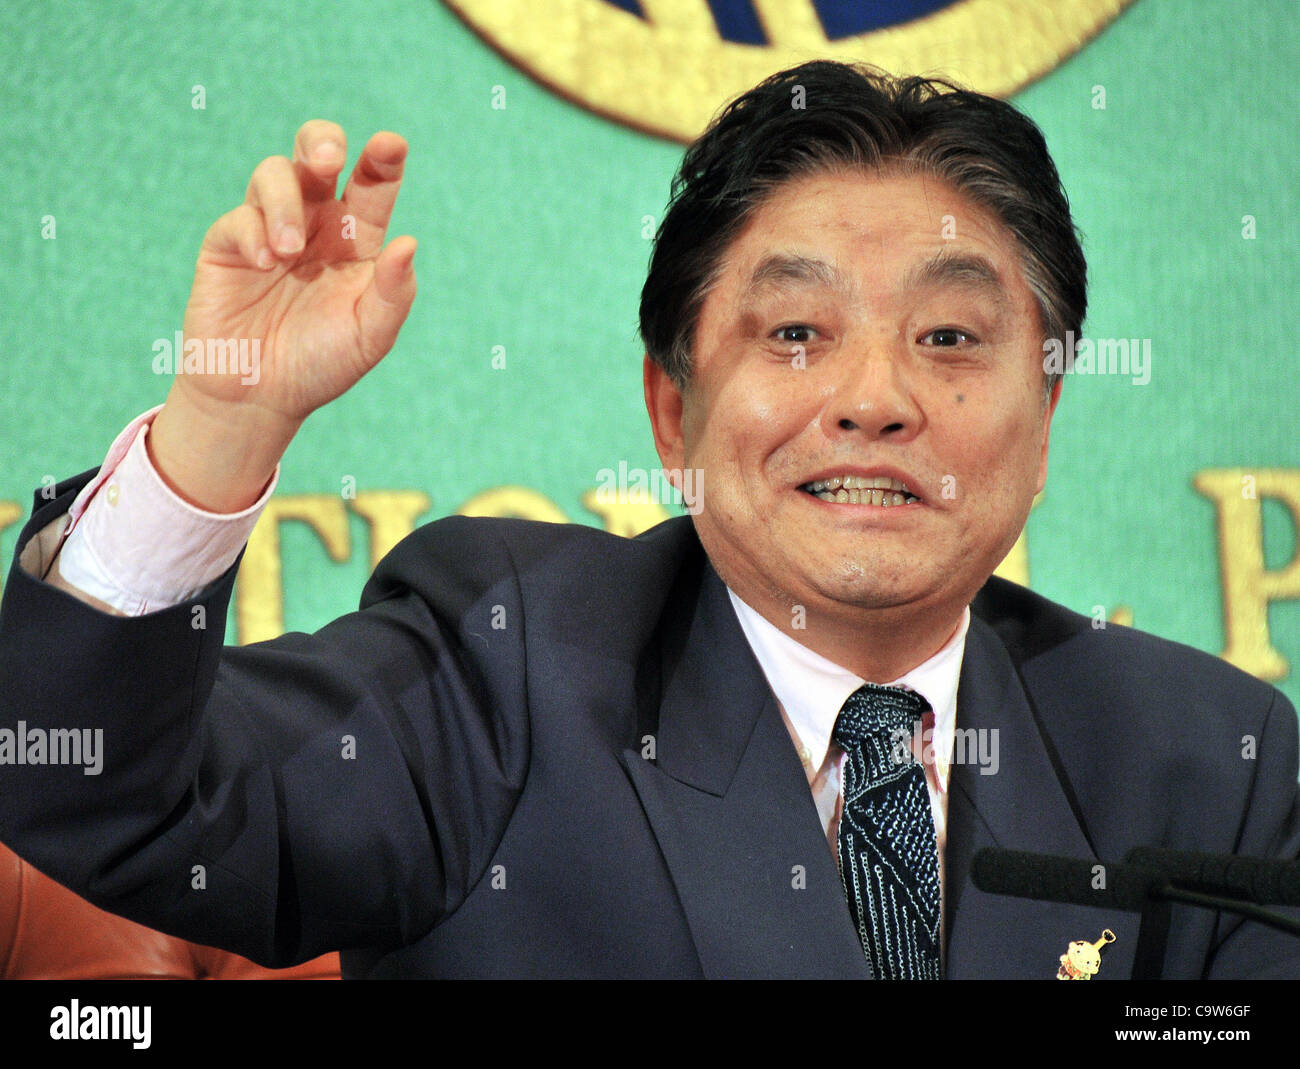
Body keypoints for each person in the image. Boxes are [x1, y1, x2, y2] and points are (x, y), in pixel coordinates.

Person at [1, 61, 1296, 979]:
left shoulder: (1207, 757)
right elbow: (101, 800)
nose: (877, 399)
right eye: (796, 332)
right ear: (671, 409)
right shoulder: (505, 666)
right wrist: (220, 432)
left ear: (1049, 405)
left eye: (951, 337)